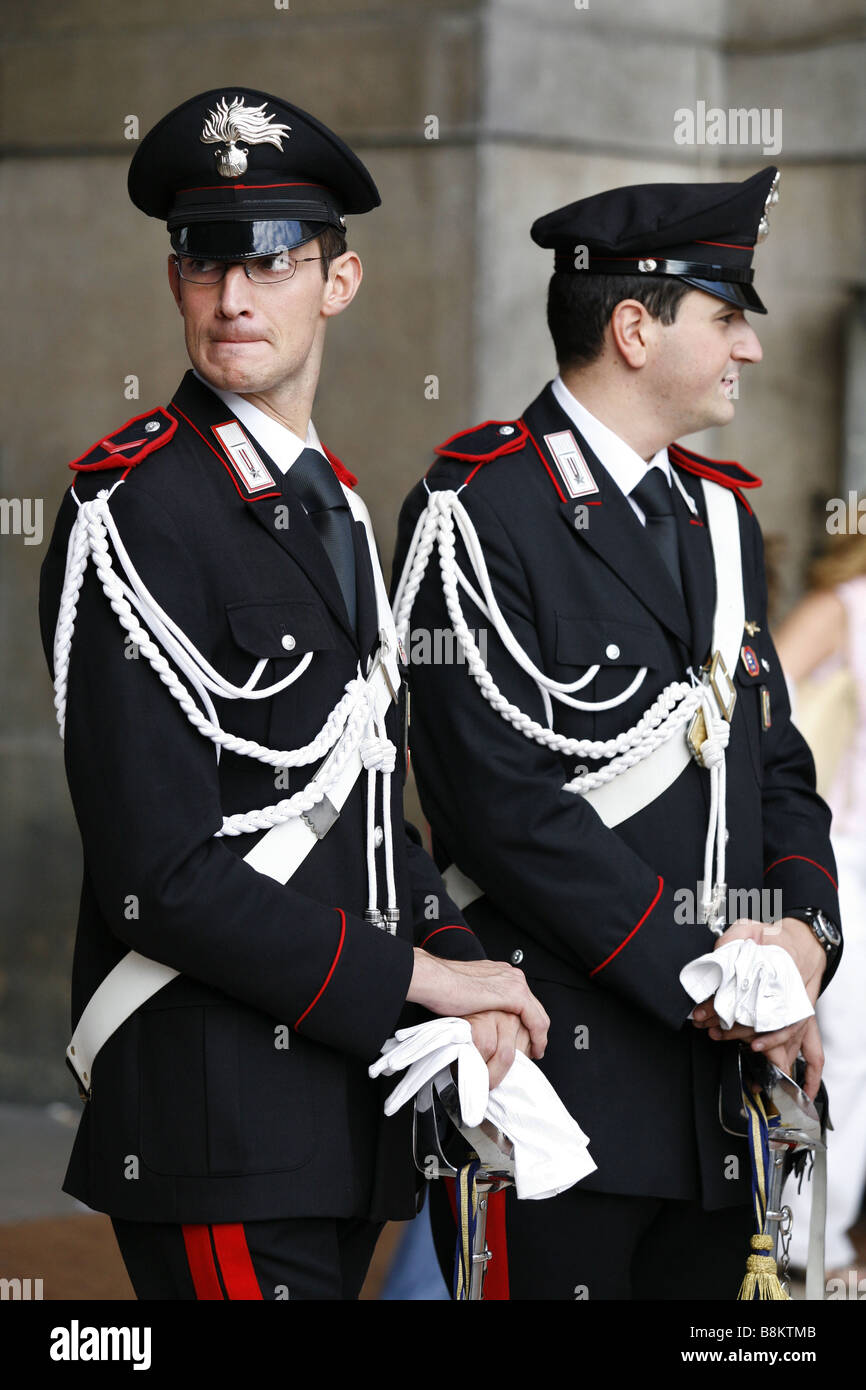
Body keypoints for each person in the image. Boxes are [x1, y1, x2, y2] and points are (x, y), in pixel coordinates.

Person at [38, 86, 548, 1302]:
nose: (232, 299)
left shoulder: (334, 502)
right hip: (217, 1114)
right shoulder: (132, 510)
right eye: (205, 264)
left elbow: (368, 806)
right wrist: (422, 981)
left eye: (270, 264)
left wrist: (459, 955)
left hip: (340, 1112)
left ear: (339, 281)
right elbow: (155, 875)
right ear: (175, 283)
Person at [392, 167, 842, 1300]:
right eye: (726, 318)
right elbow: (494, 803)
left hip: (729, 1096)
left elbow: (774, 765)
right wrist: (697, 977)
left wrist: (800, 942)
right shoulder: (476, 507)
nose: (746, 350)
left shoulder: (723, 516)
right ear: (634, 327)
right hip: (564, 1077)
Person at [774, 532, 866, 1285]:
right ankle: (808, 1237)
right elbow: (759, 712)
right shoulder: (842, 608)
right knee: (843, 1052)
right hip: (843, 854)